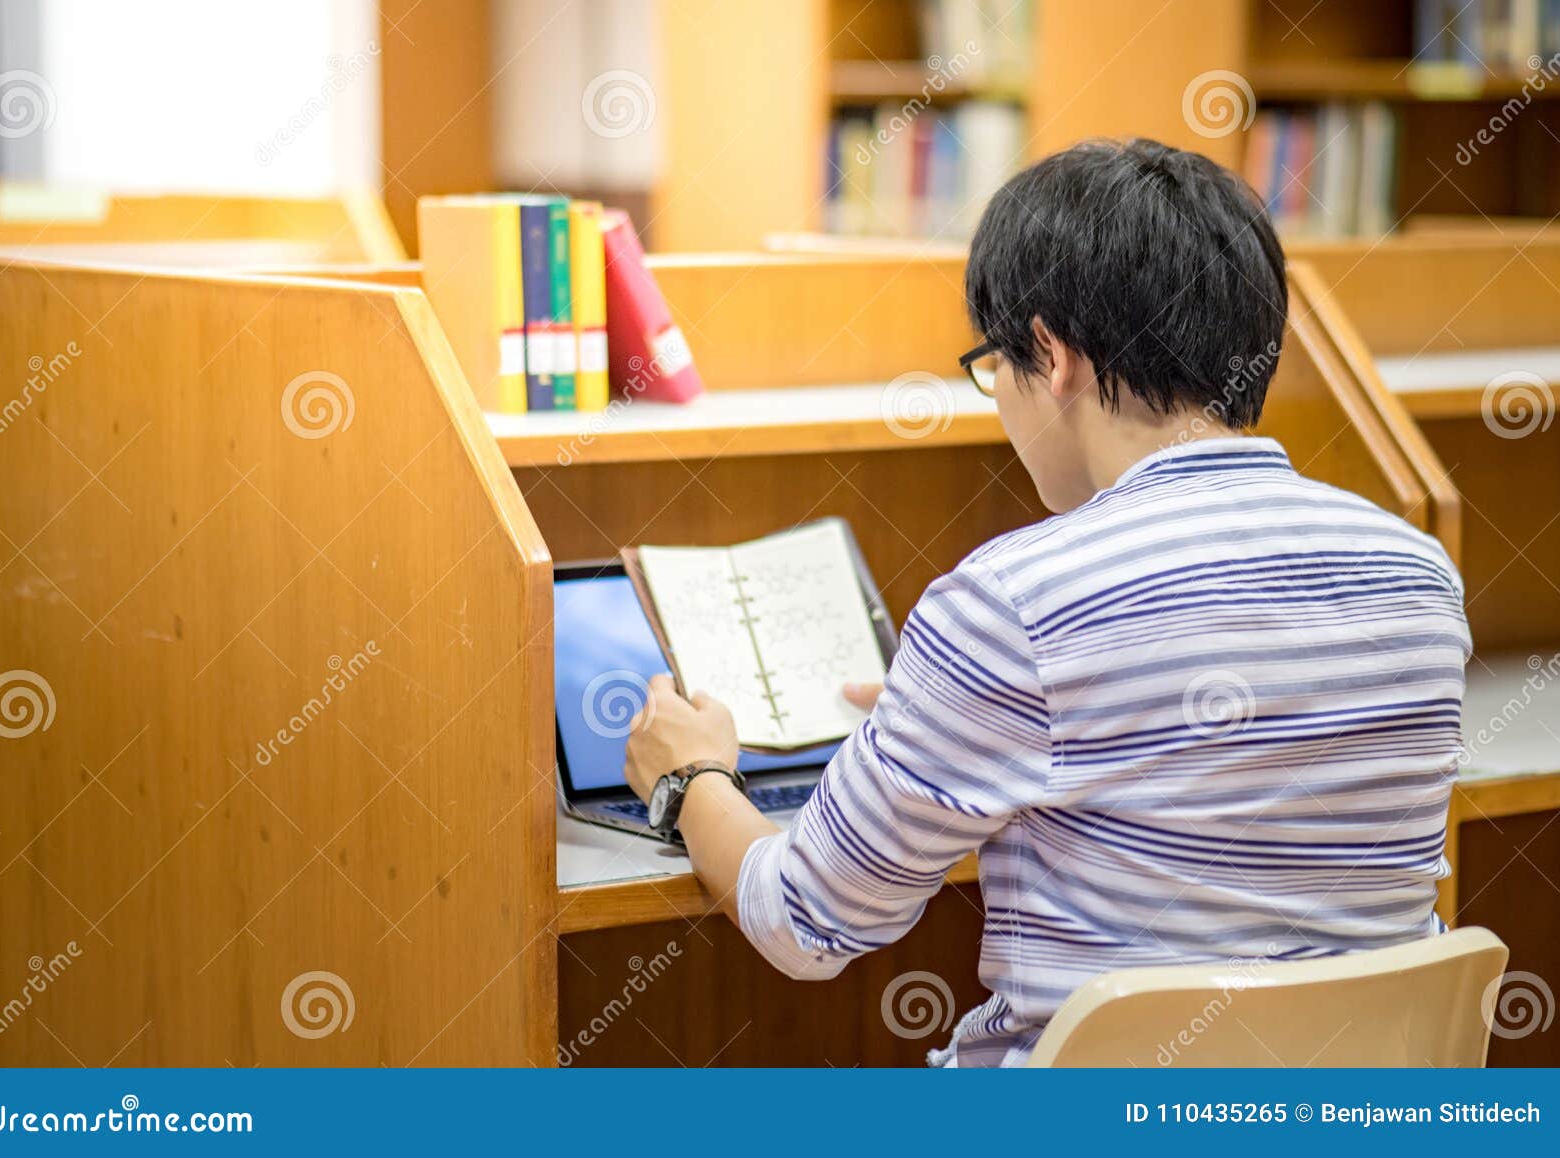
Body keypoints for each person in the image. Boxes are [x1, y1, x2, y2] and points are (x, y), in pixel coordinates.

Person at [622, 138, 1470, 1067]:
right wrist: (953, 707)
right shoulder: (1419, 571)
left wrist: (690, 777)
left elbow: (804, 922)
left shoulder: (1016, 601)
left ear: (1052, 356)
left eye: (996, 367)